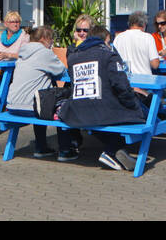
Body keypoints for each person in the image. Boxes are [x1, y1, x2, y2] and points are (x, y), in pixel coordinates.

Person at [58, 24, 143, 171]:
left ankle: (115, 151)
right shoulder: (109, 56)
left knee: (100, 114)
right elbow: (121, 86)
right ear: (104, 40)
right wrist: (133, 103)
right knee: (143, 111)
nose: (109, 45)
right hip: (100, 111)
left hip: (77, 110)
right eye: (109, 42)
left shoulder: (73, 57)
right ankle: (113, 150)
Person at [5, 26, 73, 158]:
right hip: (30, 107)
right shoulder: (44, 52)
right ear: (44, 39)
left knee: (42, 100)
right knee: (60, 106)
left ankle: (41, 147)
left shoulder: (23, 53)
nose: (52, 43)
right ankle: (65, 150)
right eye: (51, 40)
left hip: (12, 105)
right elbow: (61, 70)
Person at [114, 11, 160, 80]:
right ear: (144, 24)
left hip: (124, 83)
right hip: (145, 82)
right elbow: (155, 65)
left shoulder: (118, 38)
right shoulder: (148, 37)